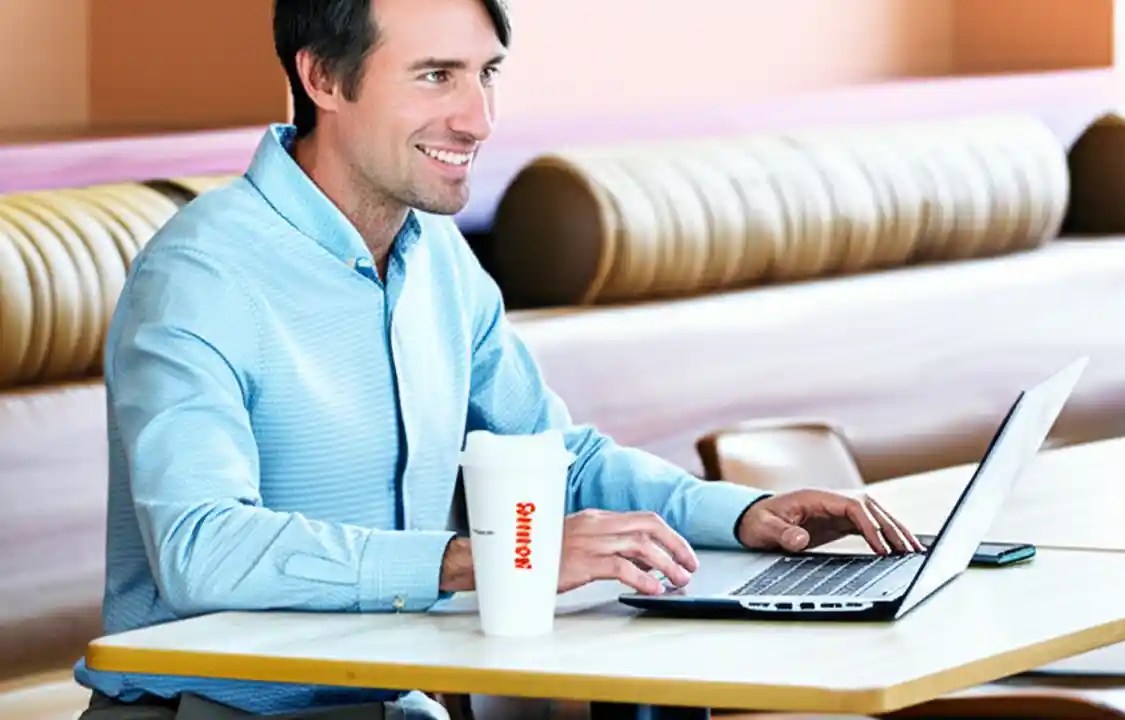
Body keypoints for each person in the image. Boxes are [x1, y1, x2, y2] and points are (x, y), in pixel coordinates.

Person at [75, 0, 924, 717]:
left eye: (487, 75)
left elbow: (550, 461)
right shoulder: (200, 274)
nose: (478, 119)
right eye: (436, 75)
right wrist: (495, 558)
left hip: (392, 702)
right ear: (323, 79)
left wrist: (746, 516)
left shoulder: (437, 257)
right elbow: (200, 548)